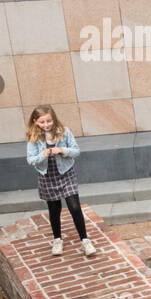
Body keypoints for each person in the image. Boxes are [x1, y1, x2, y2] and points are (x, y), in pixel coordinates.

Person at [25, 105, 96, 257]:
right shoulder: (33, 137)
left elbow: (76, 151)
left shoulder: (64, 132)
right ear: (35, 121)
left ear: (54, 119)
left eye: (49, 121)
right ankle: (57, 239)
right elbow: (31, 160)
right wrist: (43, 154)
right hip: (47, 177)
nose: (46, 125)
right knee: (54, 210)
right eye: (42, 122)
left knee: (75, 207)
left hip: (66, 173)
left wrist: (63, 151)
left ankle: (85, 240)